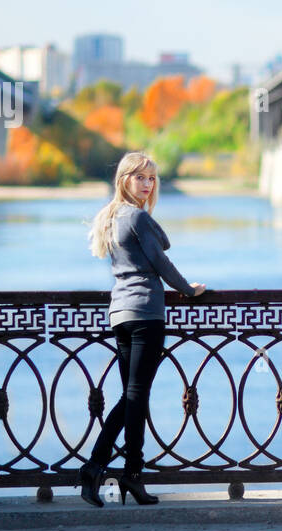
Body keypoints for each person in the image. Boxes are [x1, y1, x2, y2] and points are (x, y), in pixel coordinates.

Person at [81, 152, 205, 506]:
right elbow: (161, 259)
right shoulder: (136, 216)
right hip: (146, 314)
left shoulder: (111, 216)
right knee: (135, 397)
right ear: (125, 180)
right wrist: (188, 290)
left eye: (151, 178)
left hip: (120, 314)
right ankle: (96, 468)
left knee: (134, 397)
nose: (147, 184)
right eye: (140, 178)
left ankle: (132, 475)